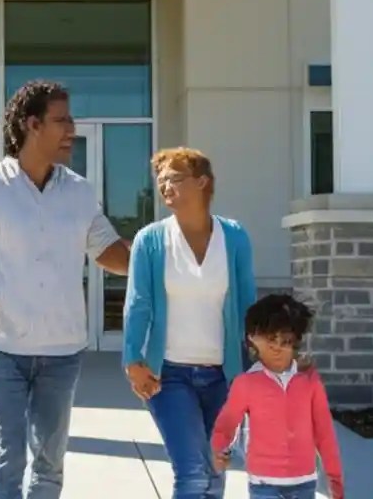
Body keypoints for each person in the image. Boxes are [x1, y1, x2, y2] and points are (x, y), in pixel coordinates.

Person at [0, 79, 131, 499]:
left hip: (62, 351)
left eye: (71, 121)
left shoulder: (79, 191)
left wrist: (156, 253)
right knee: (9, 455)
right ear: (31, 125)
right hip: (1, 348)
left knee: (49, 464)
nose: (72, 130)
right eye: (61, 121)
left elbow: (108, 251)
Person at [121, 147, 257, 499]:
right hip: (168, 375)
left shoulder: (235, 237)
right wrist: (132, 359)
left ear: (202, 182)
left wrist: (258, 367)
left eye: (174, 178)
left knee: (214, 472)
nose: (165, 186)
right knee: (193, 472)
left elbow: (247, 304)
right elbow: (138, 304)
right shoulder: (150, 240)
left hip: (222, 376)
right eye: (161, 180)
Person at [211, 294, 345, 499]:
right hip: (264, 483)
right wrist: (218, 448)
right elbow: (227, 422)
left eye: (285, 341)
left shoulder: (309, 382)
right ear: (253, 338)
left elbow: (324, 431)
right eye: (270, 339)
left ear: (295, 342)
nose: (277, 347)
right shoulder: (246, 383)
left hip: (304, 482)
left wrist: (334, 477)